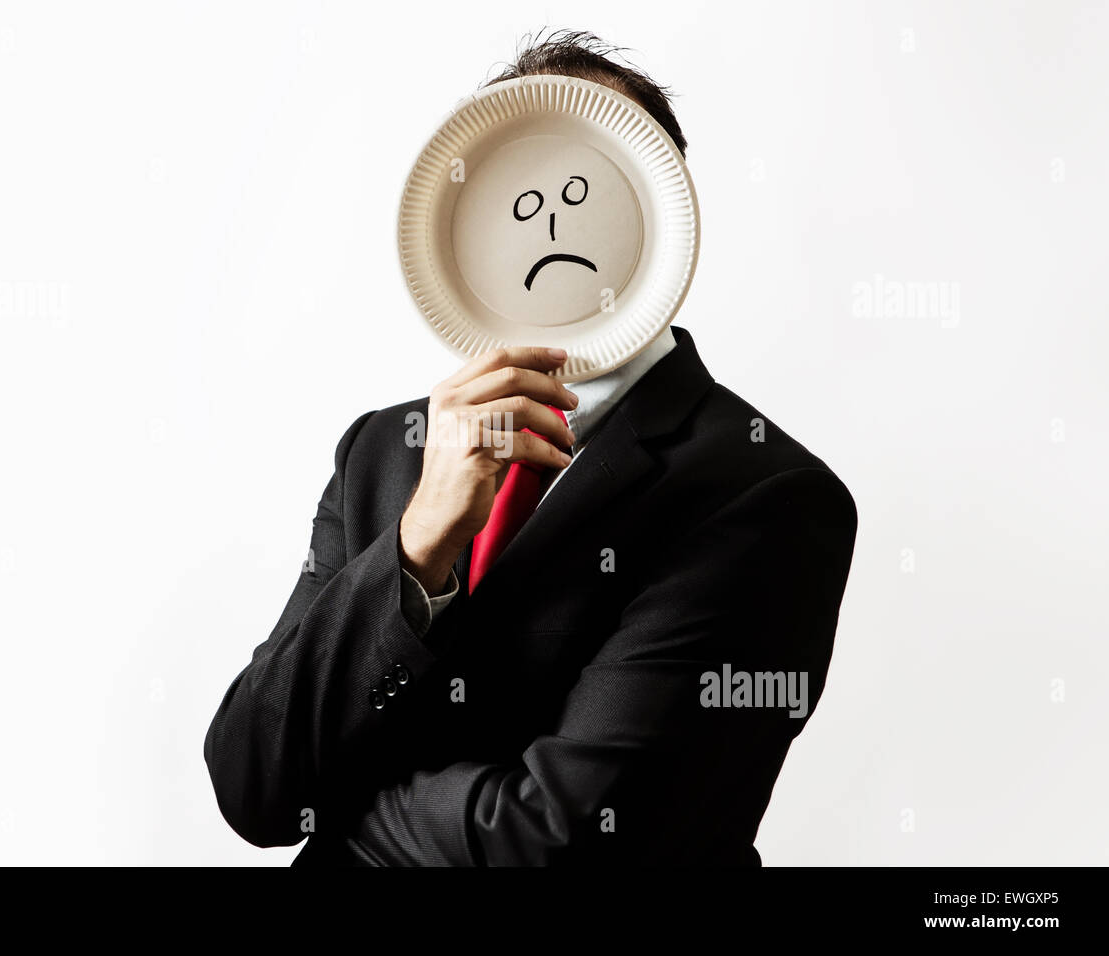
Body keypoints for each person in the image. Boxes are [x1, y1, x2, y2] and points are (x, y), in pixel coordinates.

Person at [204, 30, 858, 866]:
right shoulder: (382, 451)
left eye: (588, 190)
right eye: (521, 196)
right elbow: (252, 784)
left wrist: (345, 804)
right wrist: (417, 547)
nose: (551, 221)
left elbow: (568, 841)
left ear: (660, 215)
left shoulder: (767, 494)